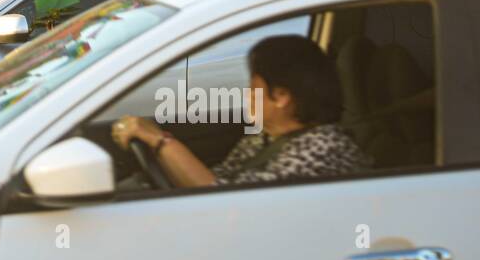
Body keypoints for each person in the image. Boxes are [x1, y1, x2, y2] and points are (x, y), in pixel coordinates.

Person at [110, 35, 371, 187]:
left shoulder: (322, 150)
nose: (247, 94)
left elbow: (222, 200)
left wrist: (159, 141)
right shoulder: (266, 137)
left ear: (281, 96)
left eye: (253, 86)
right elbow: (218, 179)